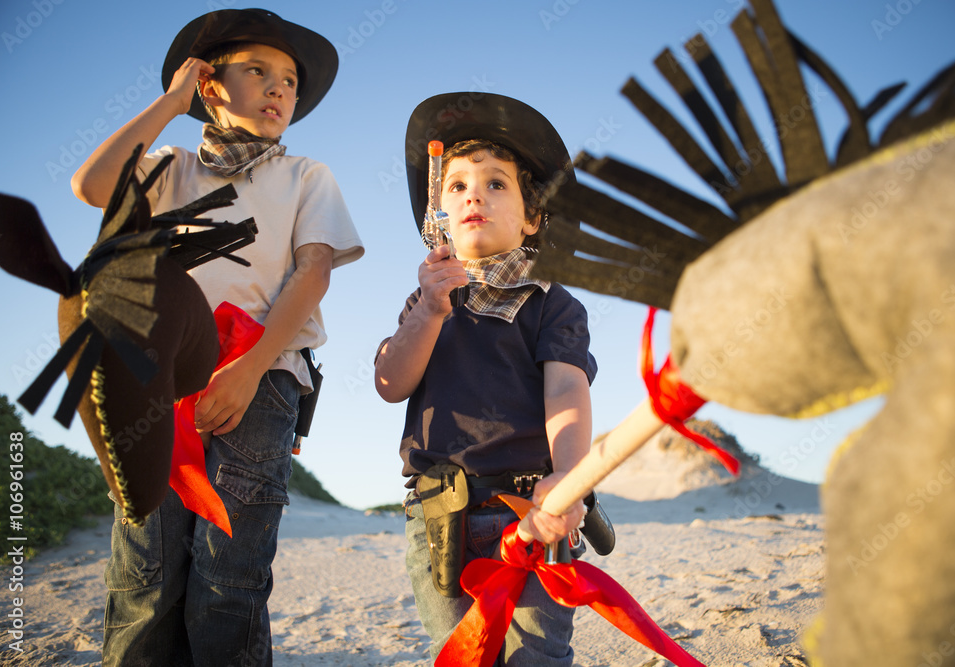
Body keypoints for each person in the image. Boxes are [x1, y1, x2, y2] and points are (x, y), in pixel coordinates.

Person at [70, 8, 364, 665]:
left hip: (261, 379)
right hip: (158, 382)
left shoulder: (306, 175)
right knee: (146, 574)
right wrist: (170, 103)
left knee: (228, 579)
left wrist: (252, 366)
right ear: (209, 85)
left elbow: (313, 272)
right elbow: (90, 185)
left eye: (289, 79)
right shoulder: (171, 166)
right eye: (257, 71)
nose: (279, 88)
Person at [374, 92, 597, 666]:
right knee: (460, 652)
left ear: (531, 218)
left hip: (532, 505)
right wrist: (429, 311)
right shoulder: (425, 299)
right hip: (438, 510)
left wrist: (570, 477)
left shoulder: (551, 303)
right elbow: (390, 383)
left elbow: (568, 391)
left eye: (497, 183)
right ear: (438, 215)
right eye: (456, 185)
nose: (474, 193)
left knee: (538, 654)